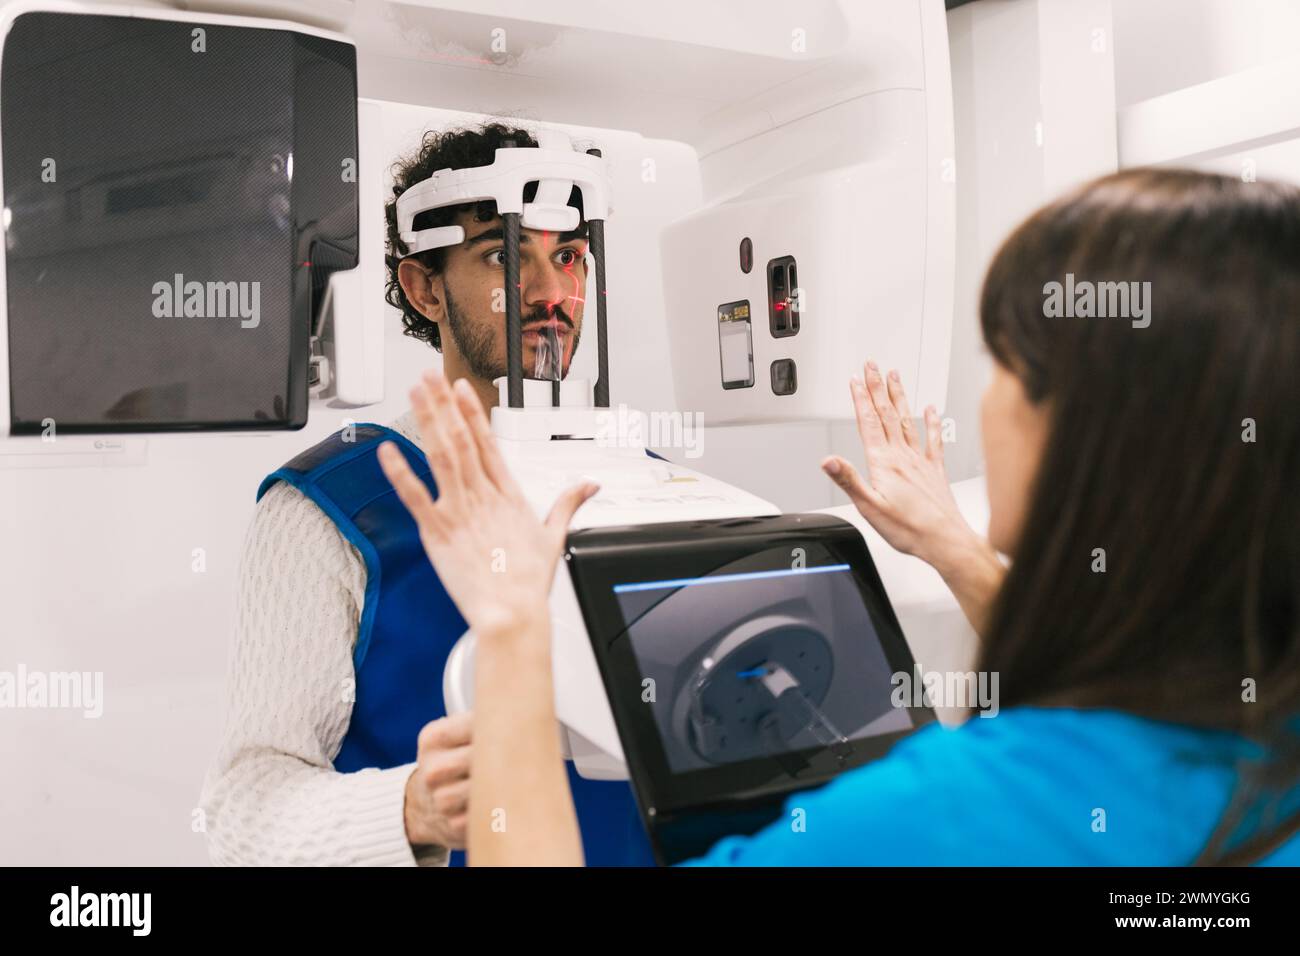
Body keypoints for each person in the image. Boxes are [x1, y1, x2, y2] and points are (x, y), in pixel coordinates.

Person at [377, 168, 1300, 865]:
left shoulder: (943, 815)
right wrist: (955, 551)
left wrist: (509, 634)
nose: (548, 291)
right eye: (508, 255)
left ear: (1094, 429)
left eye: (1006, 366)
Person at [198, 122, 654, 866]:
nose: (548, 292)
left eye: (567, 256)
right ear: (424, 287)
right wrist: (411, 810)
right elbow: (242, 809)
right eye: (504, 255)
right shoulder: (330, 509)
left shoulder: (649, 484)